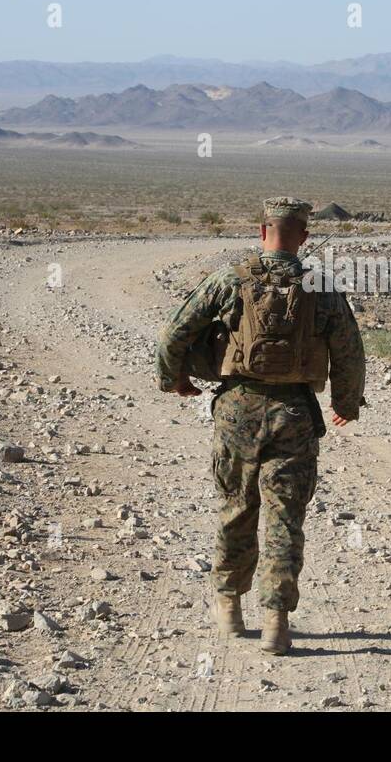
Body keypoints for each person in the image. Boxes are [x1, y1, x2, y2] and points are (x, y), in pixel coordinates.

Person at [156, 197, 365, 654]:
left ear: (261, 229)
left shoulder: (230, 279)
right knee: (285, 517)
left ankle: (229, 607)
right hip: (294, 415)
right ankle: (276, 622)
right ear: (304, 237)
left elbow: (175, 333)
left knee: (236, 506)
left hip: (237, 410)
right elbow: (349, 351)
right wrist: (347, 402)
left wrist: (174, 379)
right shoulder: (322, 287)